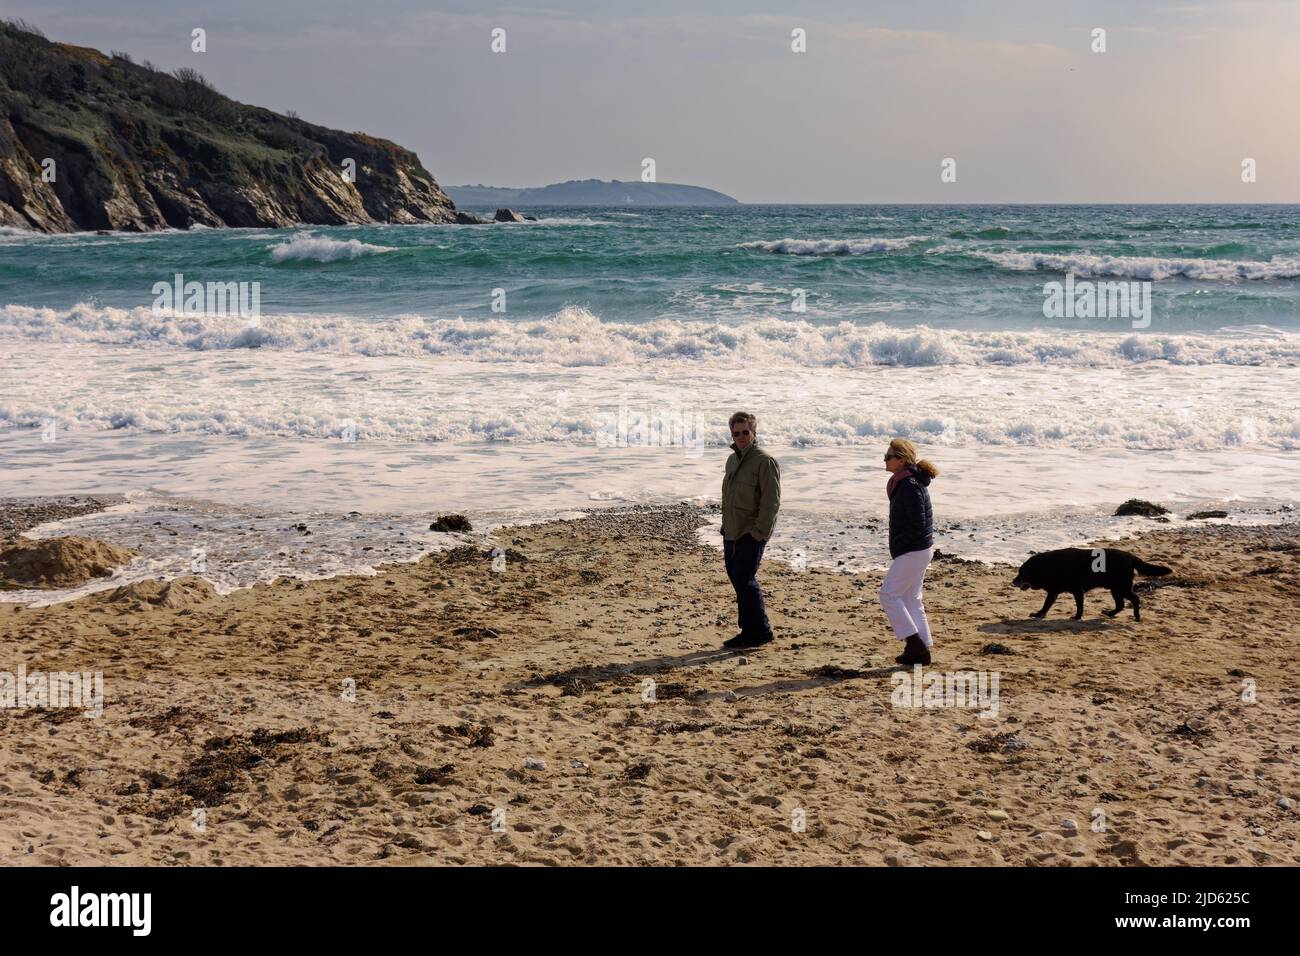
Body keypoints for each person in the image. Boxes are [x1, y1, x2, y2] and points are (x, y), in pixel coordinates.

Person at [720, 411, 781, 648]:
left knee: (745, 579)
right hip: (731, 531)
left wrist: (759, 533)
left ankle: (759, 631)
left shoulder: (764, 461)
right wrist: (725, 527)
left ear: (754, 433)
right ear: (732, 435)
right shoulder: (732, 460)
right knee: (738, 580)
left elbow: (771, 502)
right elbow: (729, 496)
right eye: (737, 433)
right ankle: (752, 630)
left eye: (746, 432)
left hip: (751, 533)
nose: (742, 437)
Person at [880, 438, 940, 665]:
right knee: (911, 598)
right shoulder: (907, 481)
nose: (885, 460)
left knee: (888, 595)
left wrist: (899, 544)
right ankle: (922, 648)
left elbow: (917, 522)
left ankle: (914, 644)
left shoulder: (909, 484)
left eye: (889, 456)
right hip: (919, 549)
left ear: (902, 460)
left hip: (913, 550)